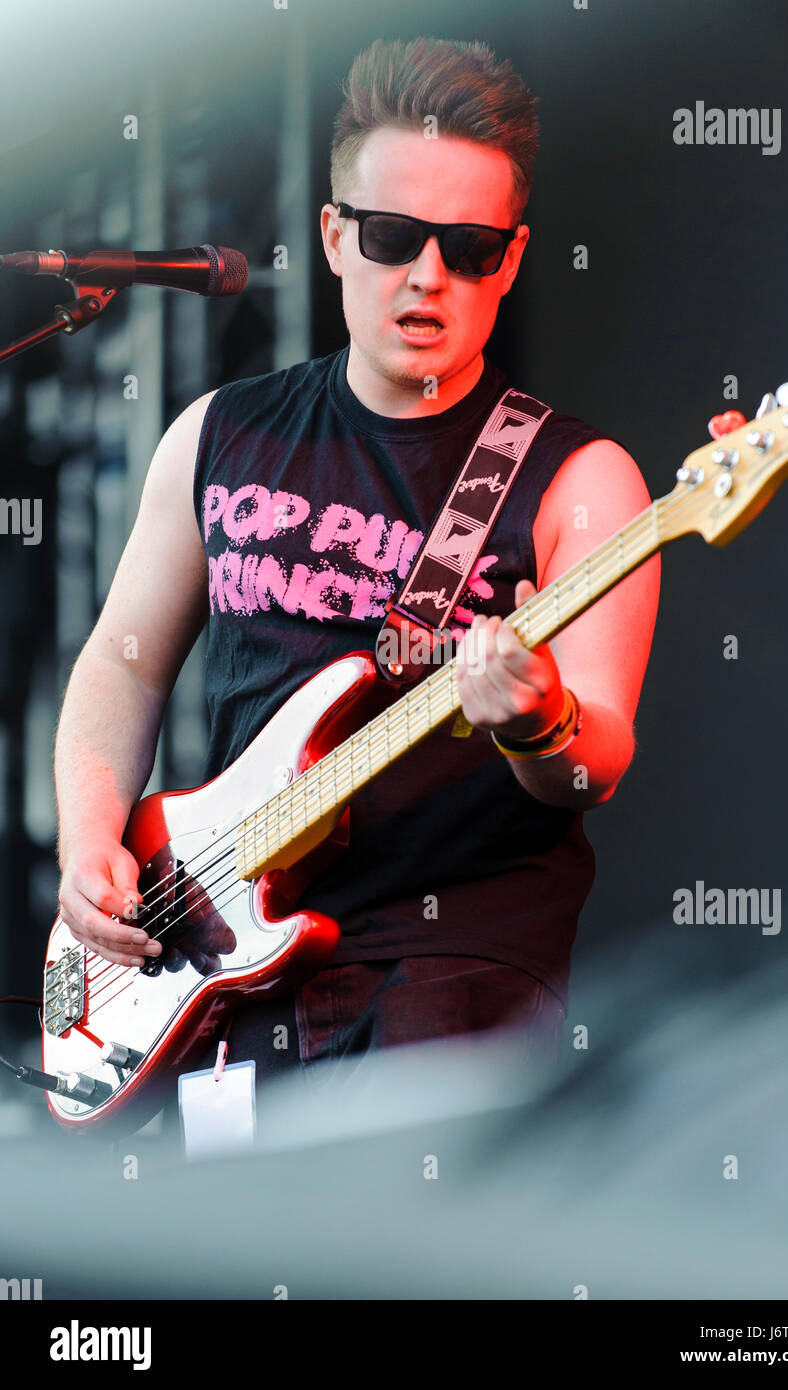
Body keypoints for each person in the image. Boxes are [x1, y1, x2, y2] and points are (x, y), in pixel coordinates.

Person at [53, 37, 659, 1089]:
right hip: (221, 960)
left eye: (468, 248)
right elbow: (124, 662)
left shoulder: (583, 478)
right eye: (392, 236)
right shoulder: (217, 431)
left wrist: (537, 718)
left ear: (511, 261)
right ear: (334, 238)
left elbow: (593, 762)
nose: (428, 276)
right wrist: (90, 837)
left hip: (452, 977)